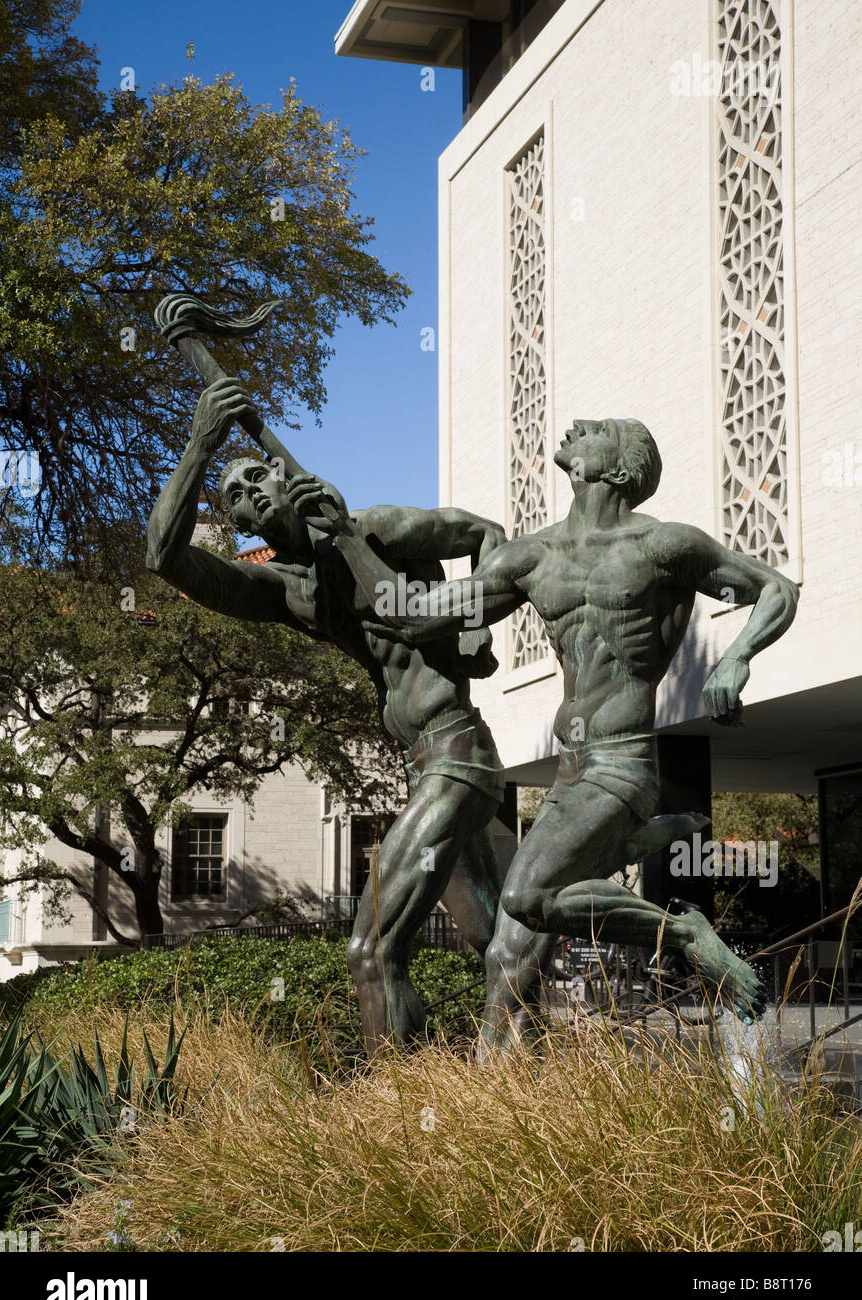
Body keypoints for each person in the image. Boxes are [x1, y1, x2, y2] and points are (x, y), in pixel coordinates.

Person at [306, 417, 799, 1046]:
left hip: (621, 762)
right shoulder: (531, 556)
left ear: (619, 467)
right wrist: (348, 539)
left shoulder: (666, 546)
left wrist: (736, 657)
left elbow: (774, 589)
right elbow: (417, 619)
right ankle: (493, 1110)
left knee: (529, 895)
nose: (580, 427)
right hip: (570, 772)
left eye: (601, 430)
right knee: (507, 959)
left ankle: (684, 933)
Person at [146, 377, 514, 1052]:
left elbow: (487, 535)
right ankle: (518, 1086)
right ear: (244, 528)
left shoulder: (375, 530)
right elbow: (164, 558)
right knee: (498, 942)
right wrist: (202, 441)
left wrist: (473, 628)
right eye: (235, 500)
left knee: (370, 951)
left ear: (285, 483)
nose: (250, 495)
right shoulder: (286, 593)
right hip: (427, 764)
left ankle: (400, 1116)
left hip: (455, 753)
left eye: (257, 478)